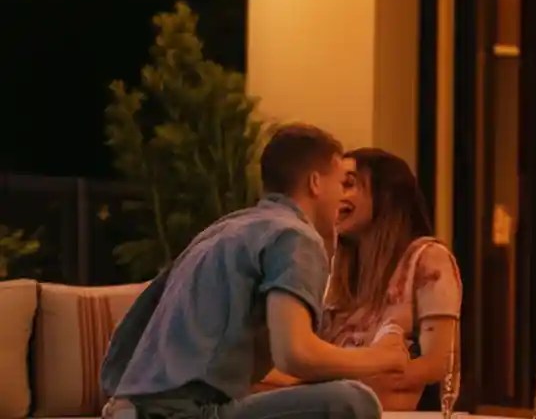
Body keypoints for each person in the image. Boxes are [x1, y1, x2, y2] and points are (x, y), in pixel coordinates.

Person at [100, 124, 407, 419]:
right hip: (185, 412)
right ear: (315, 183)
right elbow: (295, 354)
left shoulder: (226, 230)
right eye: (342, 183)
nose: (343, 196)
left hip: (132, 408)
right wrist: (379, 357)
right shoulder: (294, 236)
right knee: (355, 402)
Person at [256, 148, 463, 411]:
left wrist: (369, 377)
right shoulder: (333, 270)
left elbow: (440, 363)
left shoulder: (428, 258)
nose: (336, 195)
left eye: (349, 184)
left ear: (386, 194)